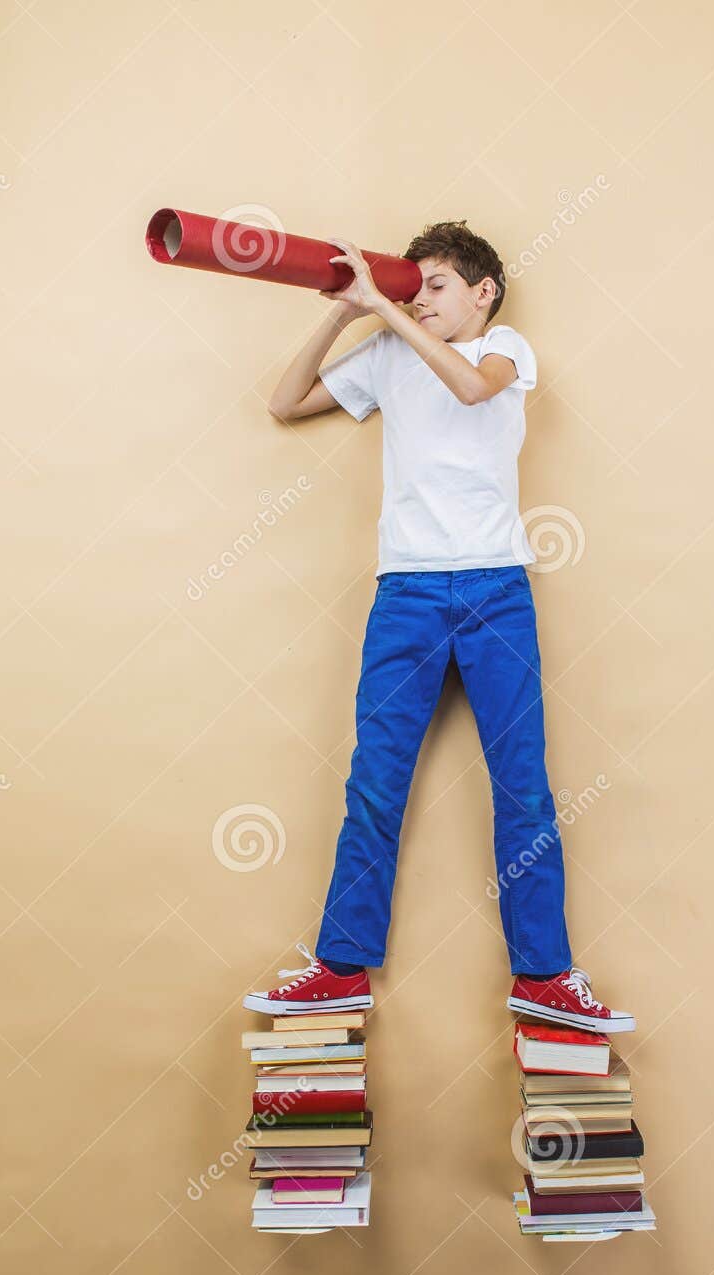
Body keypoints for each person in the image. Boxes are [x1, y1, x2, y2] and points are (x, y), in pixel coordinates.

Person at [242, 221, 632, 1035]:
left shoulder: (504, 349)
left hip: (497, 590)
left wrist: (386, 308)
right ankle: (339, 970)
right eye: (411, 285)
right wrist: (344, 312)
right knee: (373, 785)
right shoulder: (388, 350)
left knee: (523, 788)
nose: (420, 298)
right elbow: (284, 403)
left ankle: (545, 977)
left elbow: (473, 389)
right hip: (406, 593)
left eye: (437, 286)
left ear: (483, 291)